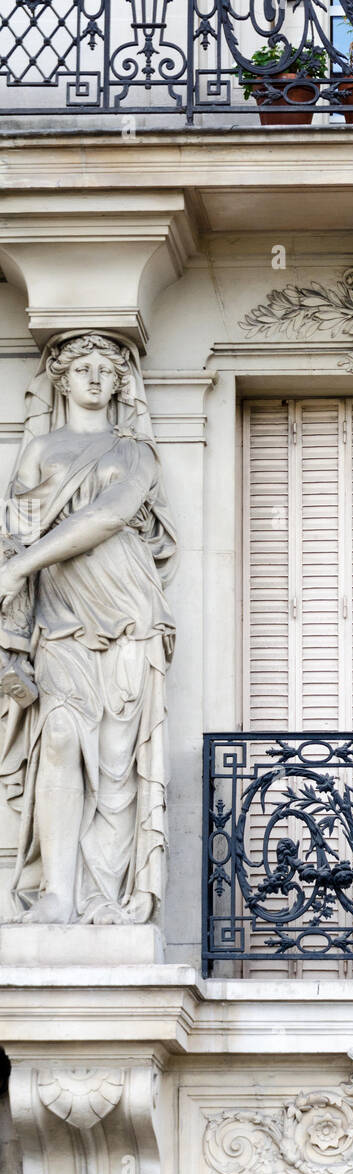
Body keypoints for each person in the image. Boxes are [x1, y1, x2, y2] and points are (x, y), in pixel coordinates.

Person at [0, 331, 177, 925]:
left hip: (129, 614)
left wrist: (22, 565)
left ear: (121, 382)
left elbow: (107, 516)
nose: (97, 379)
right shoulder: (39, 450)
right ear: (63, 379)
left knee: (116, 762)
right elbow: (15, 533)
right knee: (58, 738)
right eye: (84, 369)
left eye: (108, 370)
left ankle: (104, 893)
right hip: (61, 616)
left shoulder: (136, 452)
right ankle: (57, 892)